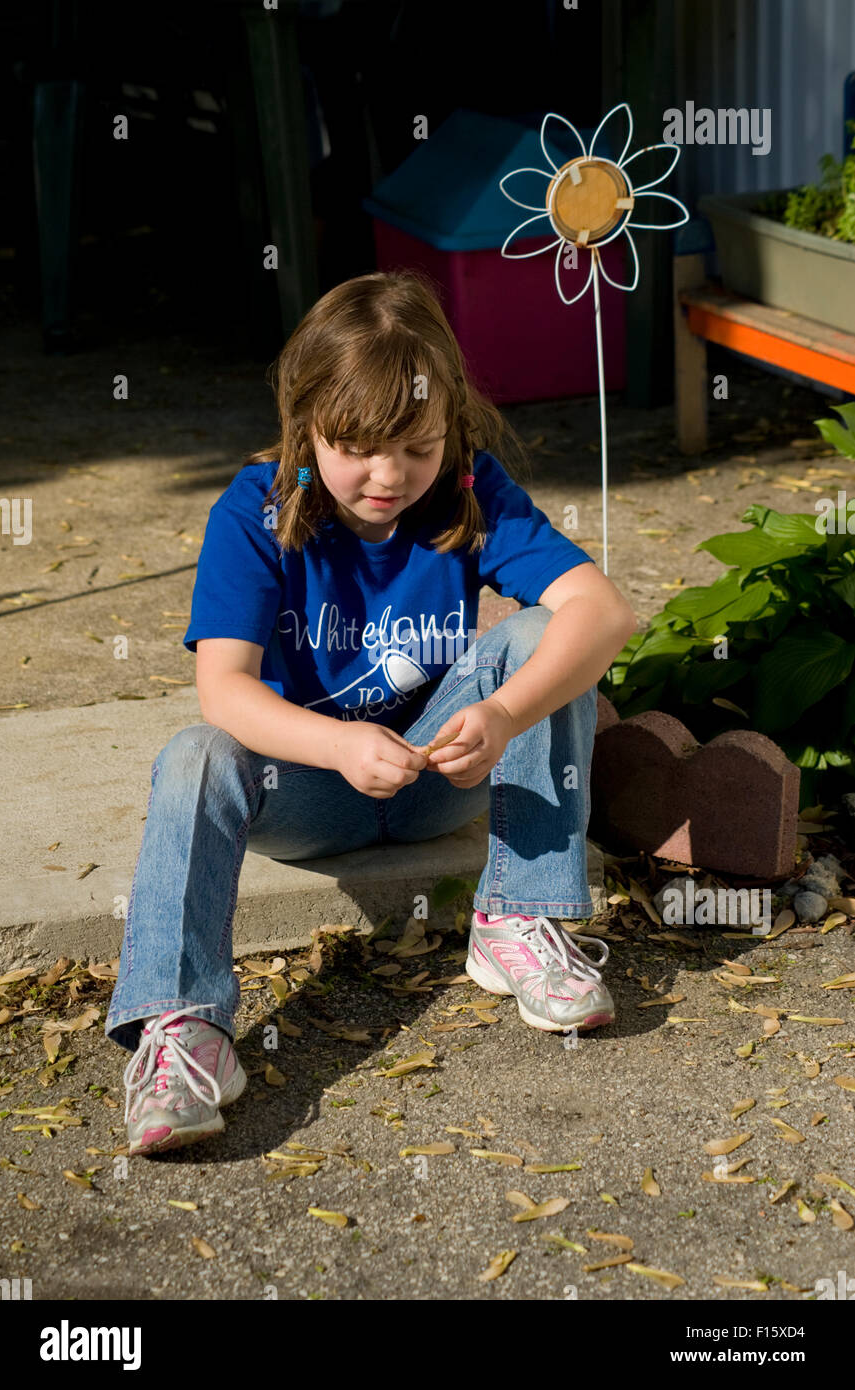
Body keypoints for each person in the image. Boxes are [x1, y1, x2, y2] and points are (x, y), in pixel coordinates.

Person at [106, 270, 637, 1157]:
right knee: (196, 752)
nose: (388, 476)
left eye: (418, 448)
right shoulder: (257, 508)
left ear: (450, 432)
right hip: (309, 790)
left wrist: (503, 714)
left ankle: (515, 918)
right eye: (356, 445)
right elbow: (225, 690)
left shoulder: (470, 488)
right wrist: (338, 743)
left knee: (546, 632)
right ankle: (184, 1030)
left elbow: (604, 612)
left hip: (439, 775)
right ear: (306, 421)